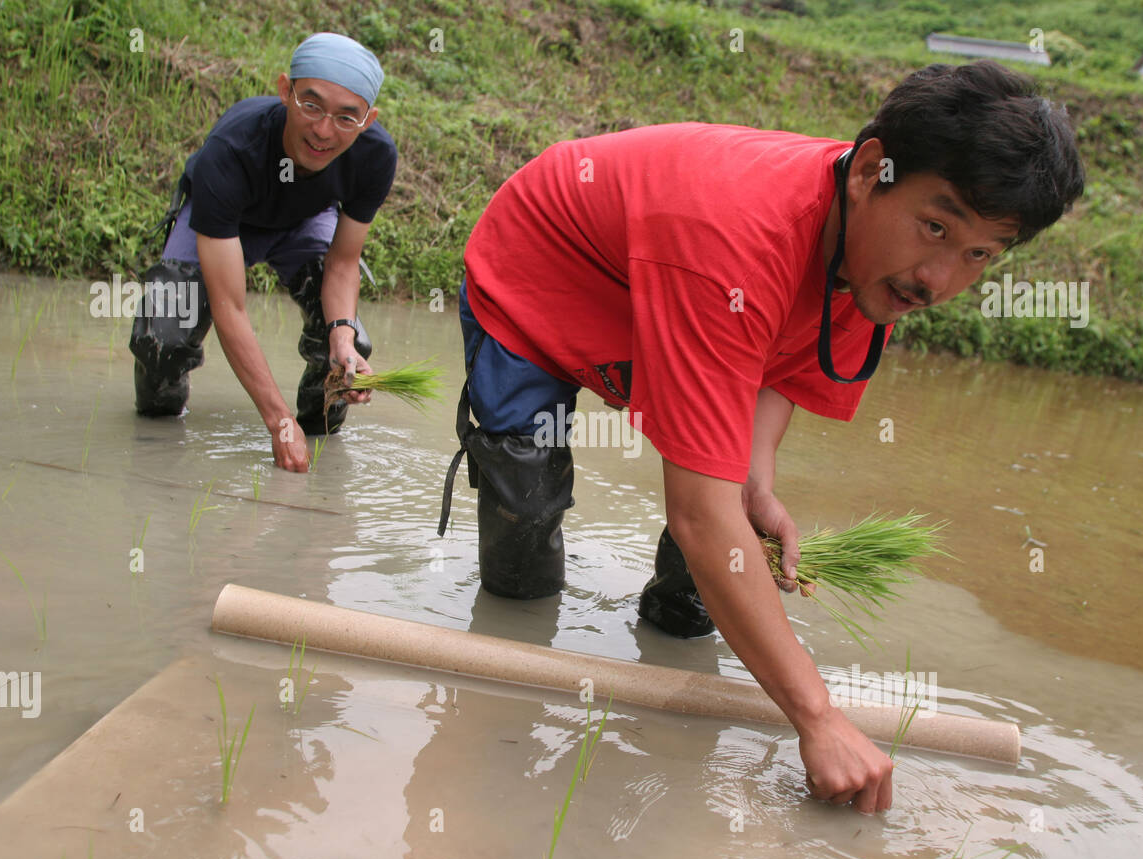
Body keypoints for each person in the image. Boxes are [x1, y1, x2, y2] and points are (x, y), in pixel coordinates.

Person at [439, 61, 1084, 812]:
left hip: (672, 283)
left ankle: (674, 677)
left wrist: (755, 476)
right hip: (542, 276)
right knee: (527, 512)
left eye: (979, 254)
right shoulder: (735, 239)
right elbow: (697, 515)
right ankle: (500, 714)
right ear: (871, 170)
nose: (939, 277)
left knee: (721, 536)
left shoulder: (875, 262)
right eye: (935, 227)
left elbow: (790, 362)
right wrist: (818, 717)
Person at [129, 32, 397, 472]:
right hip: (222, 224)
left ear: (367, 120)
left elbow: (343, 262)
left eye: (347, 117)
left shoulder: (374, 155)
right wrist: (277, 421)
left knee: (344, 341)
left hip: (304, 222)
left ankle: (317, 434)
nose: (324, 131)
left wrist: (343, 339)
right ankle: (157, 439)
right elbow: (229, 306)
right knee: (163, 340)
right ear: (284, 91)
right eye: (310, 105)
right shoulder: (232, 149)